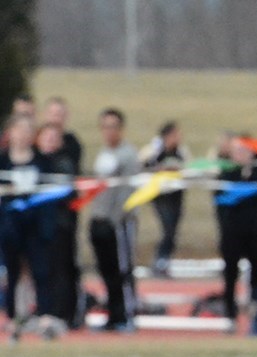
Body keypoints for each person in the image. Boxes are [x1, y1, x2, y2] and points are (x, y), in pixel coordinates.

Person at [0, 114, 64, 339]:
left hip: (36, 227)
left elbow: (52, 192)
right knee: (13, 273)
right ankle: (14, 318)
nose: (24, 135)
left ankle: (44, 317)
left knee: (41, 271)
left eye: (29, 130)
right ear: (11, 133)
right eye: (20, 129)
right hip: (10, 227)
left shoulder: (41, 162)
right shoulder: (4, 161)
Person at [89, 108, 140, 332]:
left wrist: (116, 217)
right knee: (107, 270)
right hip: (99, 220)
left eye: (113, 127)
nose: (109, 132)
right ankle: (113, 313)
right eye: (105, 127)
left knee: (122, 268)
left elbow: (127, 191)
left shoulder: (128, 155)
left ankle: (127, 315)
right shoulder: (103, 154)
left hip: (119, 222)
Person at [215, 137, 257, 331]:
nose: (242, 155)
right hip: (232, 230)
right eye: (238, 151)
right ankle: (230, 314)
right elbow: (220, 198)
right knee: (230, 272)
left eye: (245, 151)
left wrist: (251, 177)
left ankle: (256, 312)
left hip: (255, 229)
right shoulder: (226, 173)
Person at [37, 122, 84, 329]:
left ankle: (64, 314)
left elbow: (69, 195)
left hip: (60, 225)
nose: (50, 141)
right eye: (46, 137)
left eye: (54, 138)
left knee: (62, 270)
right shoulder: (37, 161)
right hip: (39, 226)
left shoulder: (63, 163)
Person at [139, 120, 190, 277]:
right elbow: (143, 166)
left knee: (173, 229)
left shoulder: (181, 151)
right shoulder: (154, 150)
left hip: (176, 194)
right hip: (160, 195)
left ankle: (165, 260)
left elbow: (188, 168)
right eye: (175, 134)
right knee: (167, 227)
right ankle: (160, 260)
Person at [42, 96, 83, 175]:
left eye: (59, 114)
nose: (55, 118)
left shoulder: (73, 143)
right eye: (52, 114)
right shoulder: (34, 140)